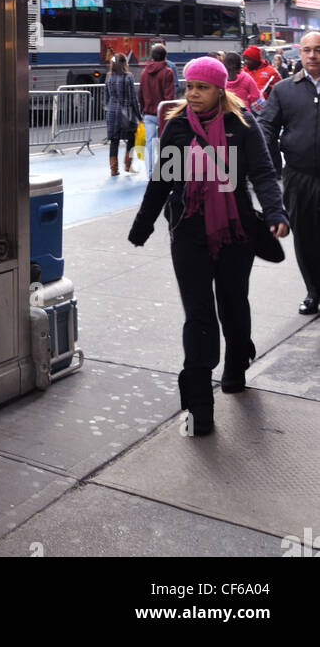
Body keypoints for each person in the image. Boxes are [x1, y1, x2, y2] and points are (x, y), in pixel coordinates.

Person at [128, 57, 288, 434]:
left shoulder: (243, 125)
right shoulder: (179, 127)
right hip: (188, 232)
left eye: (202, 87)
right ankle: (200, 405)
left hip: (236, 232)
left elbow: (264, 173)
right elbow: (162, 182)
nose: (193, 94)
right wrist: (143, 224)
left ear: (220, 89)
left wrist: (275, 212)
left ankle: (236, 362)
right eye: (189, 87)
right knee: (198, 314)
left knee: (233, 303)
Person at [259, 32, 320, 316]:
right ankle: (313, 292)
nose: (312, 56)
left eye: (317, 50)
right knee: (305, 236)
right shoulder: (284, 90)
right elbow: (266, 126)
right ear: (300, 53)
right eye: (307, 50)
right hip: (299, 176)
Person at [138, 44, 176, 173]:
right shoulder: (167, 72)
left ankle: (150, 173)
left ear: (152, 56)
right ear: (165, 56)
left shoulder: (144, 73)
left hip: (148, 114)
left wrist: (143, 109)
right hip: (162, 115)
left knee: (149, 143)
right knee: (165, 143)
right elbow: (169, 97)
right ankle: (164, 172)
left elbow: (140, 94)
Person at [105, 53, 142, 178]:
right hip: (126, 113)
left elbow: (107, 97)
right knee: (131, 138)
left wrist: (109, 107)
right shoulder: (128, 77)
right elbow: (133, 99)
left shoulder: (108, 78)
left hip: (112, 112)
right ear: (125, 64)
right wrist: (139, 116)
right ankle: (127, 164)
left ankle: (113, 169)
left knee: (114, 140)